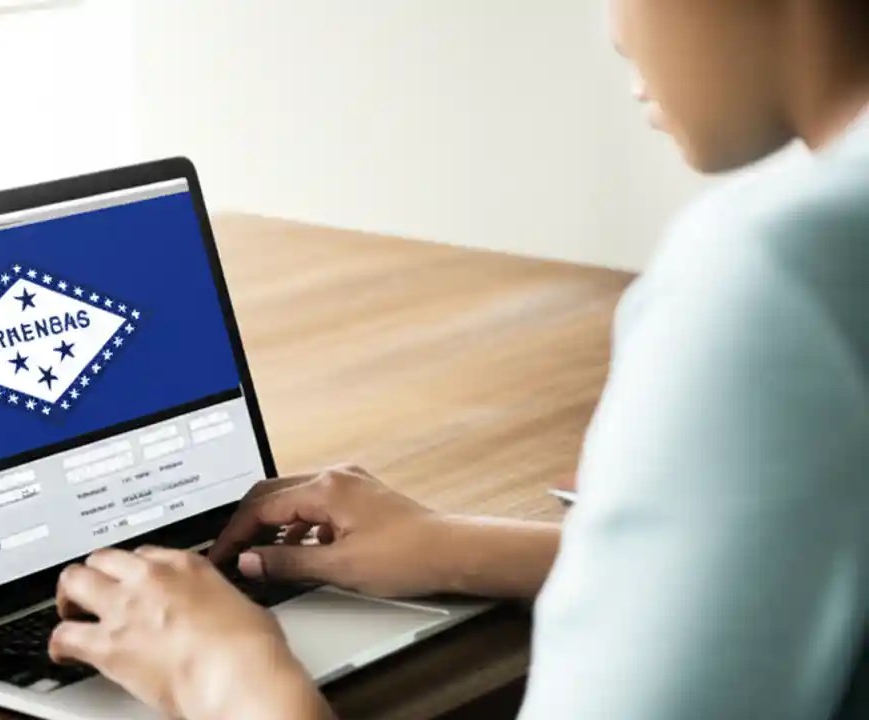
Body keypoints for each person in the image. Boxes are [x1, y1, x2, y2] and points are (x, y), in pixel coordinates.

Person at [47, 0, 869, 717]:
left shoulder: (778, 276)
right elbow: (788, 566)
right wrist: (456, 546)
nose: (615, 28)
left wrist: (225, 677)